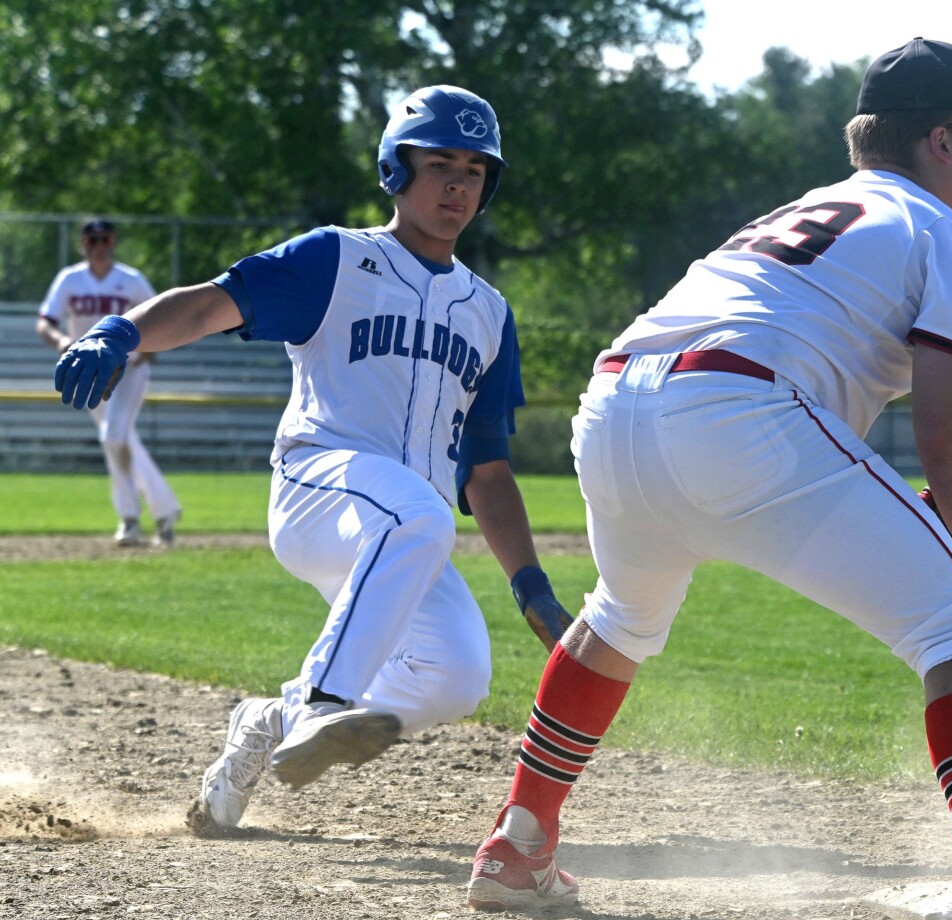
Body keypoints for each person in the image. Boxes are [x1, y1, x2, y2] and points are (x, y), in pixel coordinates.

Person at [464, 39, 952, 920]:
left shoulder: (808, 212)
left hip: (615, 405)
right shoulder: (946, 236)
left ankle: (518, 842)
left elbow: (813, 389)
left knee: (621, 618)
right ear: (942, 141)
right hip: (736, 410)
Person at [54, 85, 573, 831]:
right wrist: (123, 334)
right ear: (396, 171)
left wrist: (530, 585)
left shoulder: (489, 312)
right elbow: (209, 303)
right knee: (420, 517)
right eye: (439, 164)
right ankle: (326, 705)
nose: (458, 183)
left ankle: (271, 721)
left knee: (458, 673)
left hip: (402, 534)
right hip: (317, 487)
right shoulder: (337, 259)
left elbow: (487, 467)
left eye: (474, 170)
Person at [37, 219, 183, 547]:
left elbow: (162, 314)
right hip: (89, 370)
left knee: (113, 433)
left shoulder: (129, 280)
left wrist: (149, 349)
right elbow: (45, 322)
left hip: (129, 368)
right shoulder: (71, 279)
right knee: (121, 439)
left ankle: (129, 519)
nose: (99, 246)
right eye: (92, 240)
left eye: (105, 239)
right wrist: (62, 342)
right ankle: (166, 511)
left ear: (113, 242)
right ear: (82, 245)